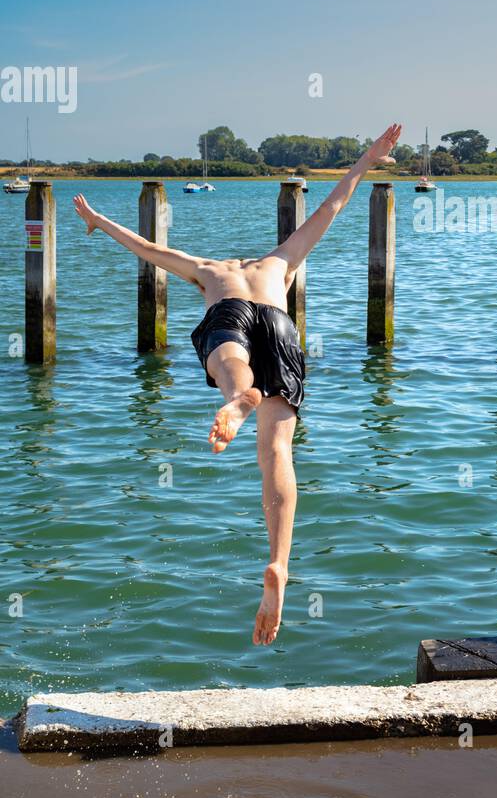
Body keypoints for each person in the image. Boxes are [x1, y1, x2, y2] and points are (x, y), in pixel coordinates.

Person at [72, 124, 403, 644]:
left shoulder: (208, 270)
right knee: (277, 454)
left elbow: (146, 247)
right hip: (280, 323)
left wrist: (96, 220)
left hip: (229, 315)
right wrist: (367, 159)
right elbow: (332, 207)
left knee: (231, 369)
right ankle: (279, 565)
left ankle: (238, 396)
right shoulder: (282, 261)